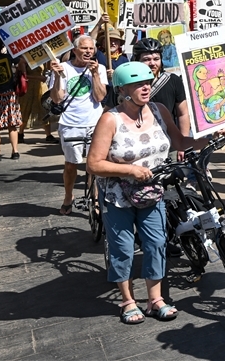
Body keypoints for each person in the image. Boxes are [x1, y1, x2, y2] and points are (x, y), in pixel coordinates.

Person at [86, 61, 189, 324]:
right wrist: (130, 170)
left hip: (151, 192)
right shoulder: (110, 119)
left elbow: (179, 141)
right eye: (138, 84)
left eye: (148, 82)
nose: (146, 87)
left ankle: (155, 299)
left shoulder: (159, 109)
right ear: (122, 89)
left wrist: (209, 137)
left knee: (156, 242)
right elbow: (94, 163)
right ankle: (127, 300)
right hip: (117, 196)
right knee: (123, 248)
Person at [47, 33, 108, 215]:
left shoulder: (100, 68)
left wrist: (95, 74)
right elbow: (57, 99)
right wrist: (57, 77)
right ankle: (68, 196)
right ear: (75, 50)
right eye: (84, 48)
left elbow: (100, 97)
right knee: (71, 164)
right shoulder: (62, 68)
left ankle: (95, 198)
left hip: (95, 124)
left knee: (94, 165)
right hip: (70, 124)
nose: (88, 52)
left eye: (91, 48)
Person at [132, 38, 190, 140]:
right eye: (146, 59)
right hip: (135, 144)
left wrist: (183, 143)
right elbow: (110, 113)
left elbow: (183, 114)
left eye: (156, 59)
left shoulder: (173, 80)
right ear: (136, 60)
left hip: (167, 142)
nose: (152, 63)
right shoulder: (125, 84)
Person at [0, 36, 22, 161]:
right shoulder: (8, 58)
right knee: (12, 124)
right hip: (9, 94)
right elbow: (18, 59)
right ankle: (15, 151)